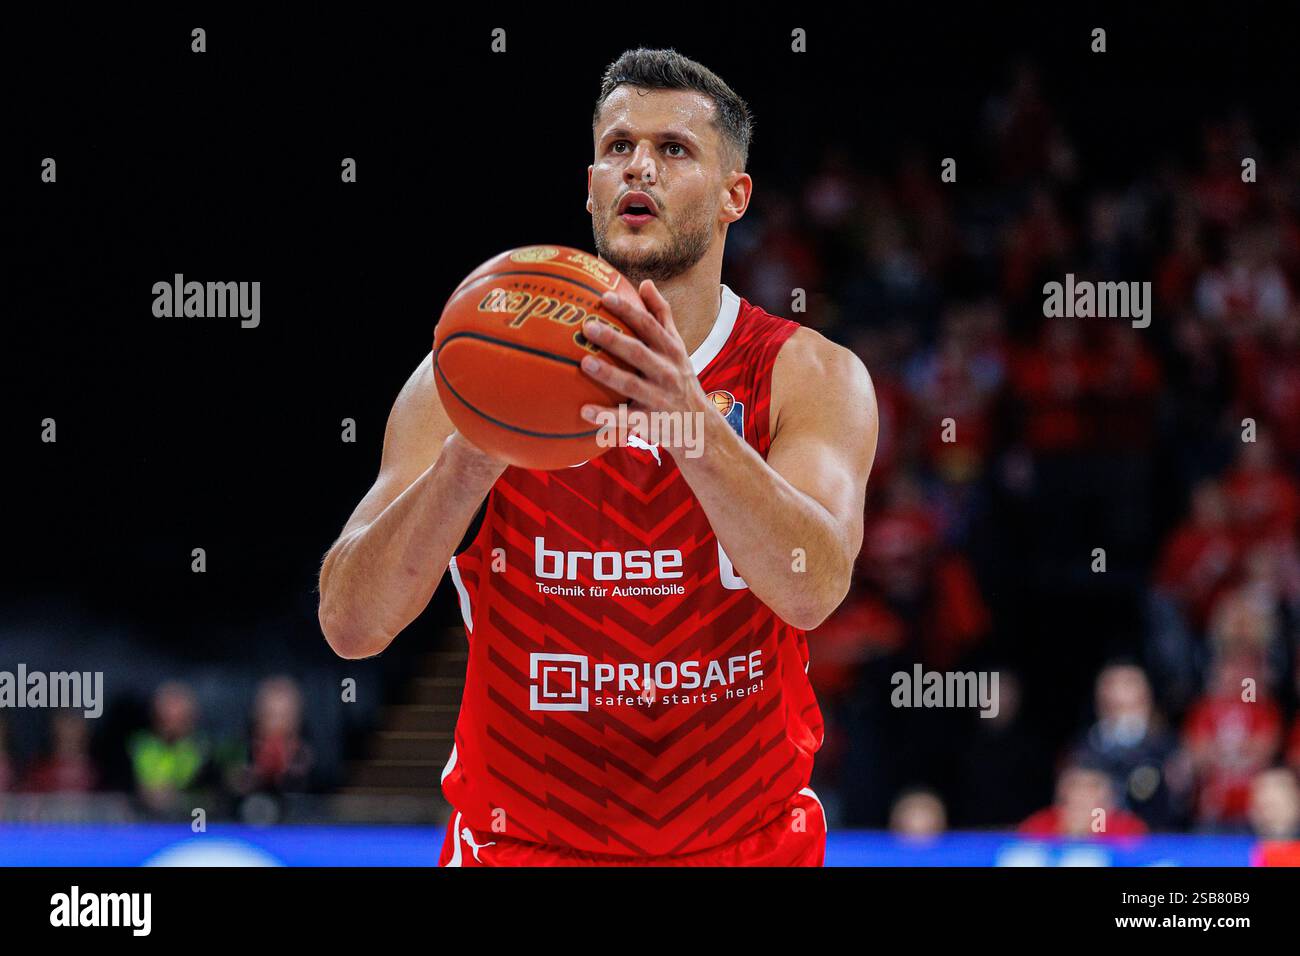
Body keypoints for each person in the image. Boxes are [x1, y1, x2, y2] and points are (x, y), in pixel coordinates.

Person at [319, 48, 878, 866]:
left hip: (745, 847)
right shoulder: (472, 372)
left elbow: (812, 588)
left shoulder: (808, 373)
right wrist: (468, 462)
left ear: (735, 196)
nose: (638, 166)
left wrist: (691, 422)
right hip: (520, 846)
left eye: (673, 149)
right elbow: (350, 625)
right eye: (618, 148)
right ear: (590, 186)